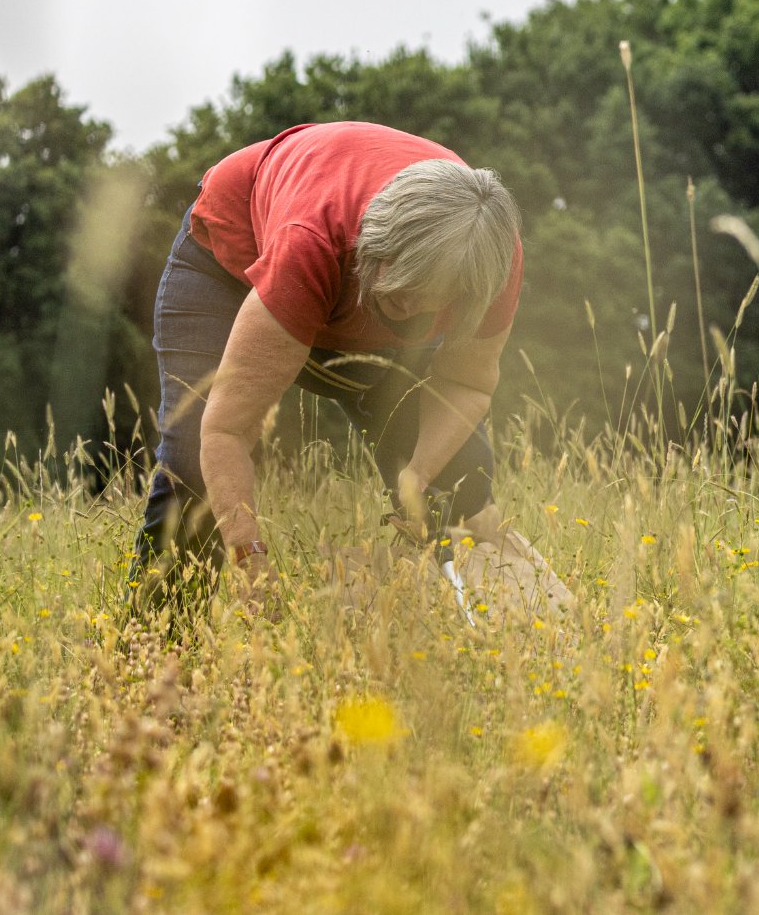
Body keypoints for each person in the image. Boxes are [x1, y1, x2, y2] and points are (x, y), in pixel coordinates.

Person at [132, 120, 532, 611]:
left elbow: (465, 384)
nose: (396, 296)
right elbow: (225, 432)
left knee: (459, 476)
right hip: (229, 267)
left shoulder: (489, 263)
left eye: (415, 293)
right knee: (191, 468)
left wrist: (417, 476)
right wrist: (249, 560)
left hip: (340, 274)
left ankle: (499, 638)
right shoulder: (314, 242)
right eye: (391, 277)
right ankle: (155, 656)